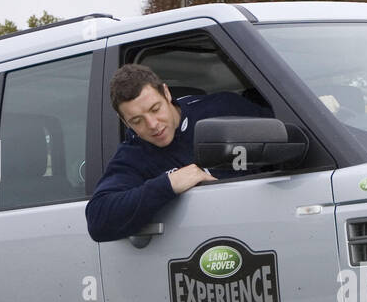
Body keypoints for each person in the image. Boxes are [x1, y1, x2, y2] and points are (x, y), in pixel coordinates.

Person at [85, 63, 270, 242]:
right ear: (125, 122)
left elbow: (290, 141)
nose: (153, 125)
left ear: (166, 93)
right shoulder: (133, 156)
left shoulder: (224, 108)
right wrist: (171, 183)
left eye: (155, 109)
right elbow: (98, 219)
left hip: (268, 225)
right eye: (137, 120)